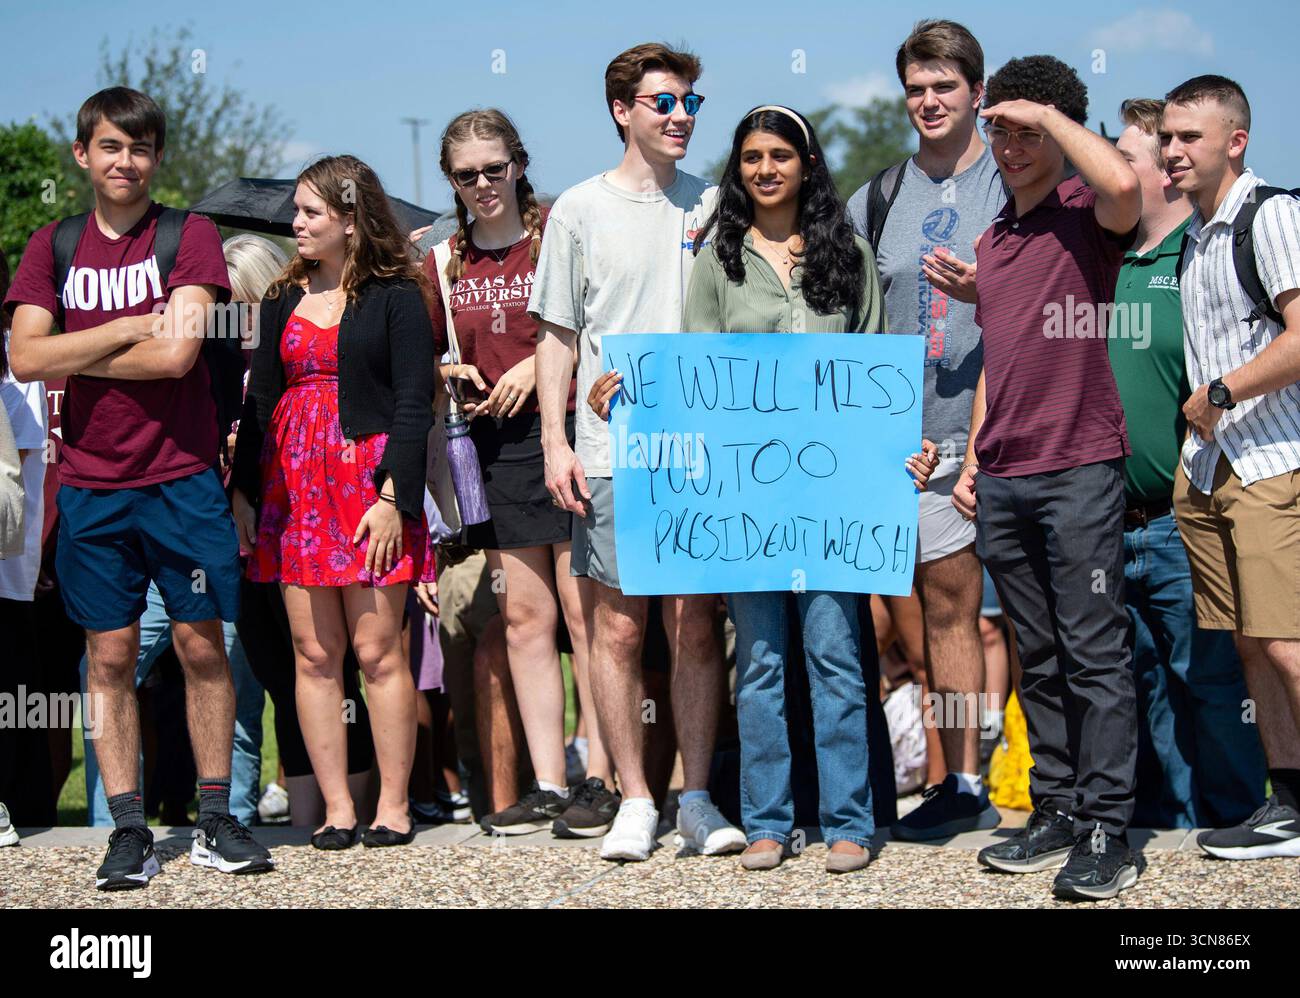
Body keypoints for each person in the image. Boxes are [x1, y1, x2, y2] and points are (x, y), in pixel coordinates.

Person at [652, 104, 935, 871]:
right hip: (749, 502)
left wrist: (899, 455)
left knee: (838, 656)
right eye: (751, 157)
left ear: (806, 164)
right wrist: (632, 398)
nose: (765, 168)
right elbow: (693, 373)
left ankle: (849, 820)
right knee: (763, 664)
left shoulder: (851, 254)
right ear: (737, 169)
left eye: (780, 154)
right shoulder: (719, 261)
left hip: (834, 501)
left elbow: (876, 370)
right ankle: (770, 821)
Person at [5, 87, 272, 889]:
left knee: (201, 648)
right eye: (112, 147)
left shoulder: (186, 234)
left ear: (157, 157)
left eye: (142, 149)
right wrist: (124, 327)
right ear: (83, 154)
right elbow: (23, 359)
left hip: (181, 479)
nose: (127, 162)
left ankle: (217, 818)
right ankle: (127, 831)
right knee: (109, 657)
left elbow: (178, 357)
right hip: (90, 485)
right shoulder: (50, 246)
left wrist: (69, 347)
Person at [529, 42, 745, 861]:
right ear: (623, 110)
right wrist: (554, 440)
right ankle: (633, 798)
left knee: (695, 628)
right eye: (664, 102)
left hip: (701, 454)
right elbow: (554, 336)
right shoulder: (578, 210)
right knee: (616, 634)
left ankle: (694, 796)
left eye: (691, 101)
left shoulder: (718, 205)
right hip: (611, 450)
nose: (682, 115)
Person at [948, 57, 1143, 900]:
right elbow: (1004, 354)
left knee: (1095, 652)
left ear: (1062, 130)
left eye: (1028, 129)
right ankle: (1059, 809)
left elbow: (1125, 183)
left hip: (1079, 468)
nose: (1011, 143)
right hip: (1006, 475)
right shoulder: (994, 239)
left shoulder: (1086, 213)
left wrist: (1046, 113)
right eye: (1000, 129)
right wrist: (973, 456)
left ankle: (1109, 829)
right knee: (1041, 655)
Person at [230, 154, 436, 850]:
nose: (296, 223)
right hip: (295, 496)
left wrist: (394, 498)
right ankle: (339, 808)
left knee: (378, 653)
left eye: (310, 212)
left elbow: (415, 402)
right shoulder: (282, 296)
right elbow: (260, 402)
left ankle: (395, 807)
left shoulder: (396, 295)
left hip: (368, 490)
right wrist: (244, 494)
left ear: (350, 220)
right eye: (296, 210)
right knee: (312, 655)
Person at [424, 109, 614, 837]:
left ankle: (602, 775)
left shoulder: (557, 235)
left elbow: (591, 328)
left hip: (568, 438)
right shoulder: (443, 261)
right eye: (466, 175)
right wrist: (449, 368)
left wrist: (540, 371)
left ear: (520, 164)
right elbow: (427, 353)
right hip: (495, 448)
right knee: (524, 619)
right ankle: (547, 780)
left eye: (494, 169)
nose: (482, 185)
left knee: (584, 616)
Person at [846, 20, 1005, 839]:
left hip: (994, 438)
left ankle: (981, 779)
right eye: (916, 87)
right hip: (898, 446)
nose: (930, 100)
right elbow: (838, 316)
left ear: (978, 90)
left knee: (977, 616)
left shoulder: (1013, 186)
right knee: (909, 611)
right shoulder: (875, 199)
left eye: (945, 85)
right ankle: (939, 782)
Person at [1108, 98, 1265, 829]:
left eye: (1127, 157)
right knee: (1138, 683)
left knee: (1209, 678)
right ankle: (1164, 827)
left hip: (1185, 518)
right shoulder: (1101, 264)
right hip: (1107, 522)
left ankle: (1238, 821)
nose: (1112, 170)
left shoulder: (1205, 255)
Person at [1160, 75, 1300, 859]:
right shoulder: (1200, 232)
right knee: (1252, 642)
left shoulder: (1270, 214)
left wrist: (1220, 391)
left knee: (1288, 642)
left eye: (1190, 138)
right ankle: (1288, 802)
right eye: (1167, 138)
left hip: (1275, 460)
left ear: (1235, 142)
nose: (1172, 151)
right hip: (1214, 467)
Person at [224, 232, 380, 829]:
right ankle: (308, 812)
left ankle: (356, 809)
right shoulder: (214, 369)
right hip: (245, 542)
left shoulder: (297, 361)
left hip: (307, 525)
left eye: (244, 305)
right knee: (279, 678)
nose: (234, 322)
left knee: (333, 672)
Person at [1, 247, 55, 833]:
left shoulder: (16, 367)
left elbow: (22, 469)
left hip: (8, 566)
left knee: (14, 696)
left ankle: (21, 809)